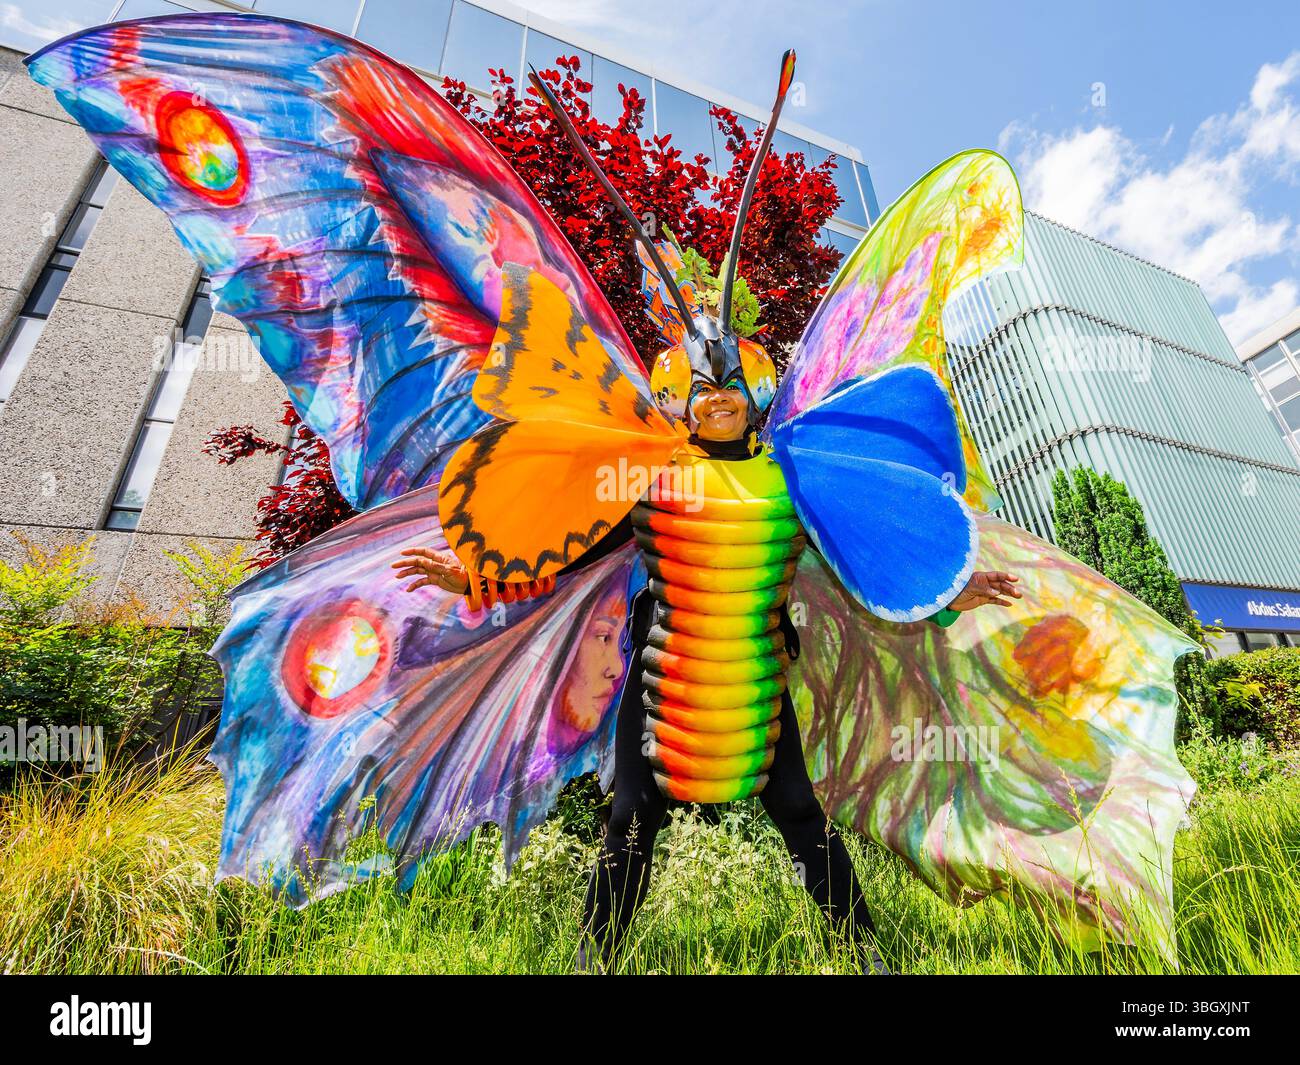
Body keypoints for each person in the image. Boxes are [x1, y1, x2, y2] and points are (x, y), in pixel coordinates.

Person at [394, 366, 1020, 973]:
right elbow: (571, 552)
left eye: (730, 387)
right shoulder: (652, 477)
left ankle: (865, 953)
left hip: (755, 677)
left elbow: (859, 555)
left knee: (800, 812)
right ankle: (595, 960)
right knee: (632, 817)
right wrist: (474, 576)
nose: (719, 399)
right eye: (703, 390)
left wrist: (946, 596)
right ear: (683, 403)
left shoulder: (789, 477)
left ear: (754, 396)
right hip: (666, 678)